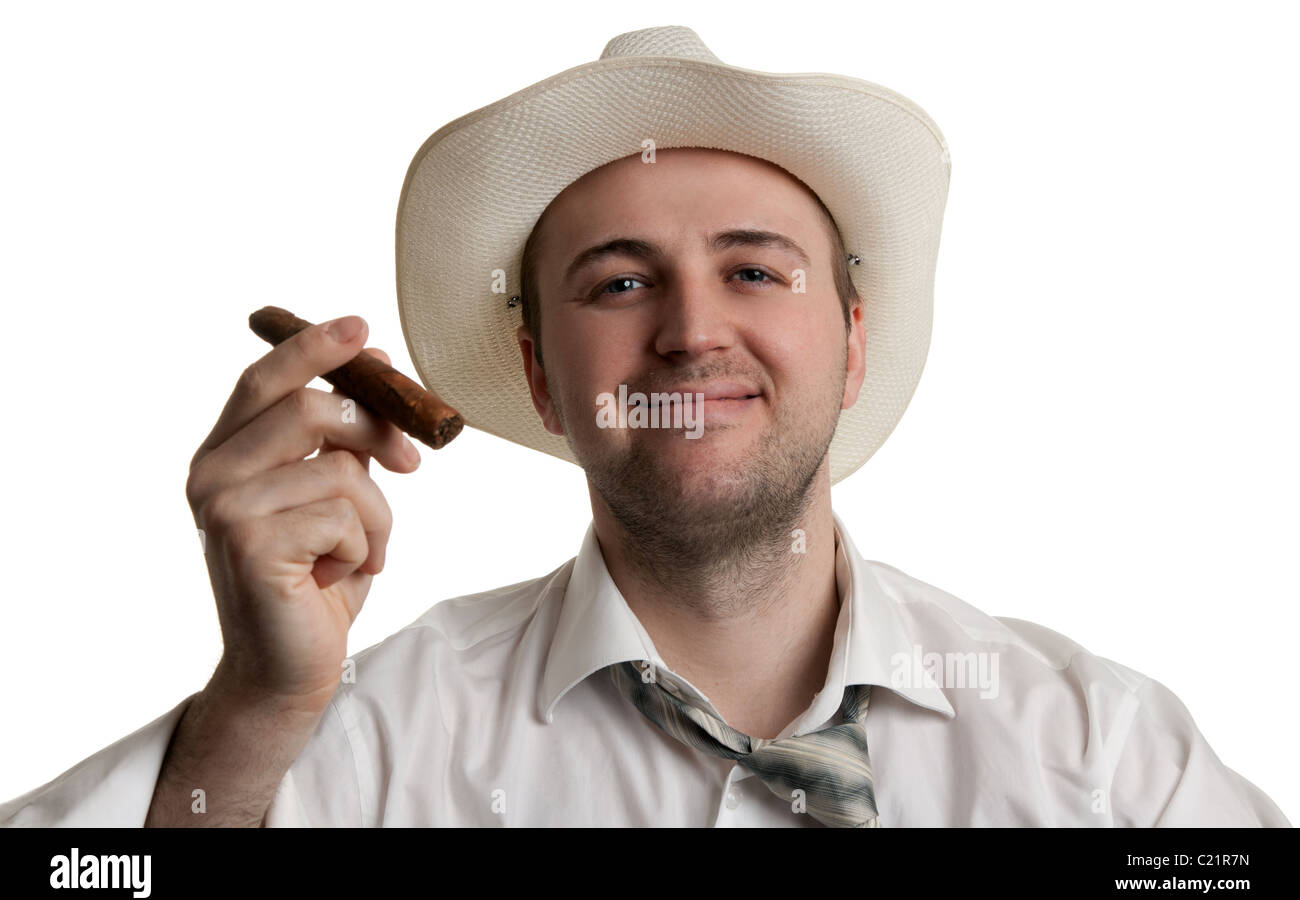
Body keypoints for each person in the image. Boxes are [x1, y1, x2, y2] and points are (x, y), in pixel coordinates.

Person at [1, 26, 1287, 828]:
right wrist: (253, 715)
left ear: (851, 342)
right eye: (618, 282)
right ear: (540, 376)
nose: (687, 332)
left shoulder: (1103, 757)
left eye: (753, 270)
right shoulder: (358, 749)